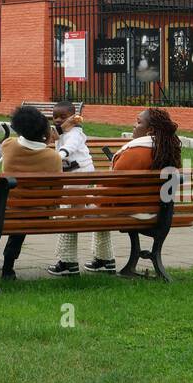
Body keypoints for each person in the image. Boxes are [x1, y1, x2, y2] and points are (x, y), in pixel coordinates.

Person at [47, 100, 114, 276]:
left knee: (70, 212)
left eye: (63, 117)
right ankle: (104, 260)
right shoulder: (60, 132)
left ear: (73, 117)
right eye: (55, 117)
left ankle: (68, 262)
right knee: (71, 207)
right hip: (73, 173)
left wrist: (58, 156)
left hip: (80, 173)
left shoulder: (76, 132)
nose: (58, 120)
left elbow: (69, 148)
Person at [0, 105, 62, 280]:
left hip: (8, 211)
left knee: (10, 212)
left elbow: (20, 143)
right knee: (23, 213)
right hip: (39, 213)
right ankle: (8, 266)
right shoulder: (53, 157)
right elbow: (57, 192)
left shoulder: (8, 145)